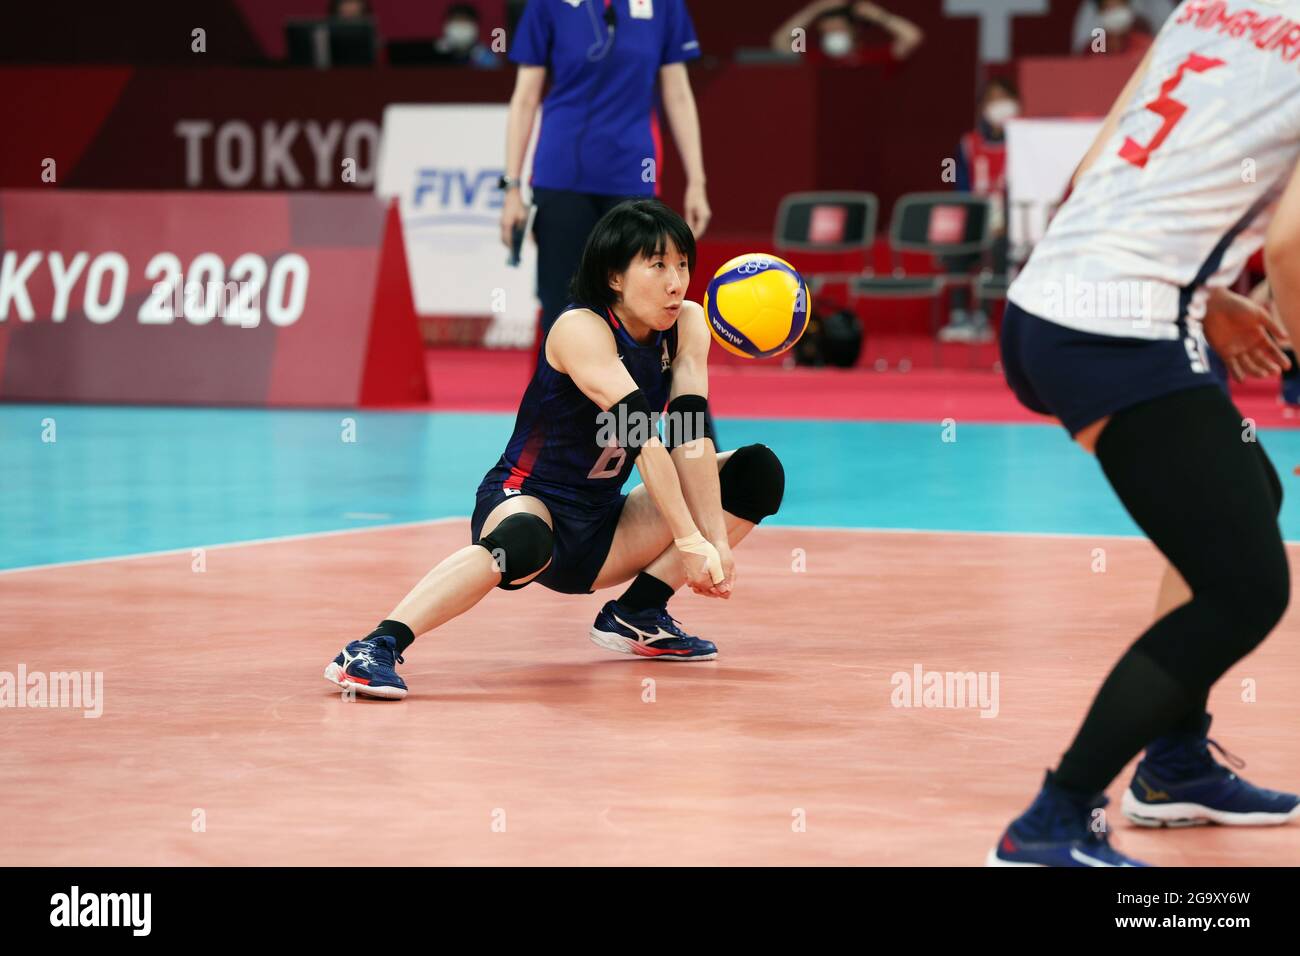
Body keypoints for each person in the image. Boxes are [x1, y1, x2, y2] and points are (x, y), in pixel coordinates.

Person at [990, 1, 1300, 865]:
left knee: (1249, 496)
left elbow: (1098, 160)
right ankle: (1054, 819)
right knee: (1246, 589)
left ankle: (1173, 765)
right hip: (1123, 326)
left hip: (1048, 298)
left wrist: (1203, 295)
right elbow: (1294, 244)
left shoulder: (1213, 5)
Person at [325, 200, 786, 699]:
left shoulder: (688, 324)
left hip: (603, 526)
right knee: (521, 542)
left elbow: (690, 435)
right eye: (657, 266)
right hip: (526, 501)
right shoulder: (579, 329)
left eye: (682, 265)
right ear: (614, 277)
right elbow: (643, 438)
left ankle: (637, 614)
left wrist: (714, 539)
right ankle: (374, 646)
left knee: (756, 472)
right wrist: (688, 539)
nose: (676, 283)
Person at [499, 0, 712, 340]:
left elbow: (678, 94)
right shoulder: (547, 5)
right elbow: (524, 97)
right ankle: (560, 391)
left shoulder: (665, 6)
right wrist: (511, 188)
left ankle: (636, 391)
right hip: (561, 173)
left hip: (633, 174)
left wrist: (696, 182)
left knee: (638, 300)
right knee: (562, 303)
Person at [937, 77, 1017, 344]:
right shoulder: (968, 144)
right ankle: (959, 315)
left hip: (1011, 222)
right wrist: (973, 219)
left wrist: (1006, 219)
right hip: (975, 217)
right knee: (956, 247)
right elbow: (960, 187)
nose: (998, 106)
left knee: (997, 246)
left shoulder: (1024, 144)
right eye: (992, 100)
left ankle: (983, 318)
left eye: (1003, 99)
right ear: (982, 106)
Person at [770, 0, 923, 66]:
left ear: (853, 31)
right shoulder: (814, 58)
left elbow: (912, 36)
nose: (832, 33)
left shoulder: (871, 56)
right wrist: (812, 11)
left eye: (838, 28)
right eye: (827, 30)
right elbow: (780, 42)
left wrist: (880, 16)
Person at [1074, 0, 1158, 56]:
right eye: (1110, 8)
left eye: (1119, 6)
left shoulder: (1146, 46)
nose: (1115, 12)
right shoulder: (1092, 50)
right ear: (1100, 13)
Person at [432, 3, 501, 68]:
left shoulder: (487, 58)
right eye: (457, 20)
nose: (460, 27)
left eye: (465, 21)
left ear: (475, 27)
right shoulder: (434, 53)